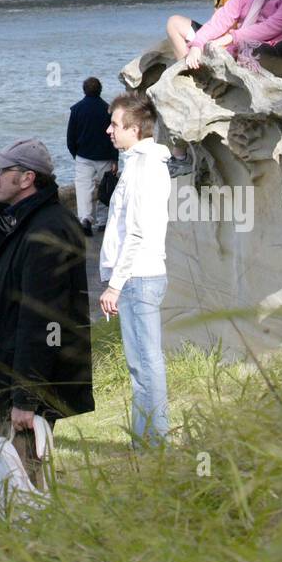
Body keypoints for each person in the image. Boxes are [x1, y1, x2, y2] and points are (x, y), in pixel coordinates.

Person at [0, 140, 94, 469]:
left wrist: (27, 399)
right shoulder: (25, 220)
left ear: (27, 178)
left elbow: (44, 321)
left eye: (2, 171)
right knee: (8, 475)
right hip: (11, 377)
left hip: (25, 385)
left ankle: (26, 522)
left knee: (22, 479)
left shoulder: (47, 229)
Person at [99, 93, 172, 448]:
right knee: (142, 365)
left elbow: (137, 231)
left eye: (115, 124)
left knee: (145, 364)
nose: (109, 129)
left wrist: (115, 285)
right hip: (139, 276)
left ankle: (154, 444)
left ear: (135, 128)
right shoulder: (139, 163)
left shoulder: (145, 166)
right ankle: (146, 441)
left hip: (138, 277)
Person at [66, 78, 119, 237]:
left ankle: (85, 220)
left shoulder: (77, 109)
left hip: (83, 155)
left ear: (84, 90)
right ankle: (104, 221)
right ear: (100, 90)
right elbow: (113, 135)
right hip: (104, 155)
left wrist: (75, 153)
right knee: (106, 187)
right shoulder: (107, 109)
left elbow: (70, 136)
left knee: (83, 189)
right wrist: (115, 158)